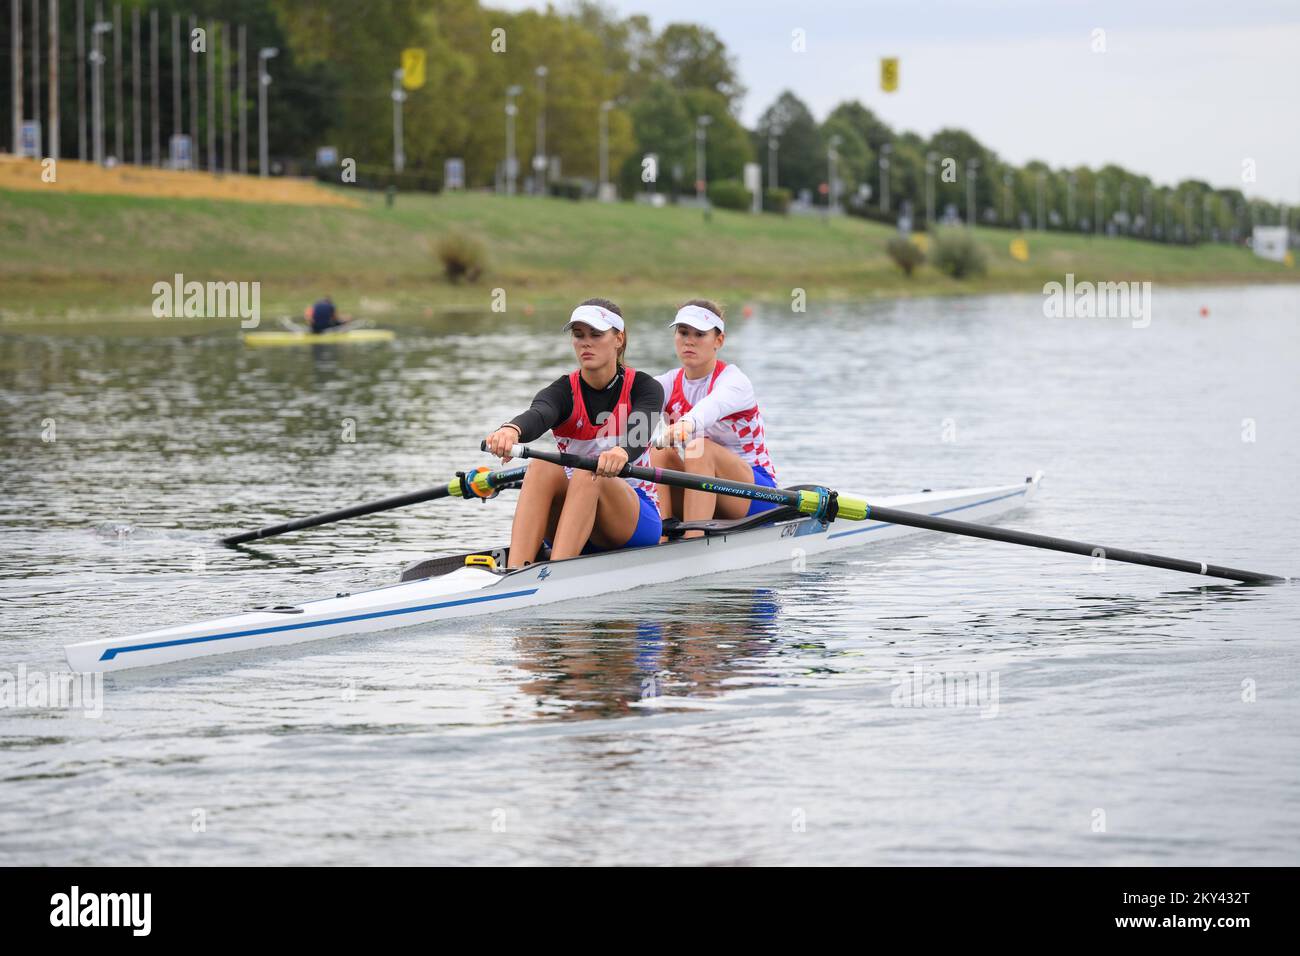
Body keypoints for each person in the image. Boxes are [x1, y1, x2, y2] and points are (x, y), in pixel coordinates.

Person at [483, 299, 664, 566]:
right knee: (542, 466)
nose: (585, 343)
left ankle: (556, 574)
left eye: (596, 334)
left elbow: (640, 432)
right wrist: (511, 429)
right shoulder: (562, 390)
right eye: (578, 335)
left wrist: (621, 452)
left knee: (587, 470)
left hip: (634, 520)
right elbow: (539, 413)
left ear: (619, 339)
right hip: (574, 516)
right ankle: (516, 570)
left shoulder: (645, 387)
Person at [650, 299, 778, 536]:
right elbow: (629, 408)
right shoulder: (666, 383)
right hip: (704, 486)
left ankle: (693, 539)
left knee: (699, 448)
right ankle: (662, 534)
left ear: (719, 341)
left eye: (700, 334)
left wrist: (686, 424)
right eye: (683, 332)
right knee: (658, 450)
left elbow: (711, 407)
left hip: (756, 494)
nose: (689, 340)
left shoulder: (734, 381)